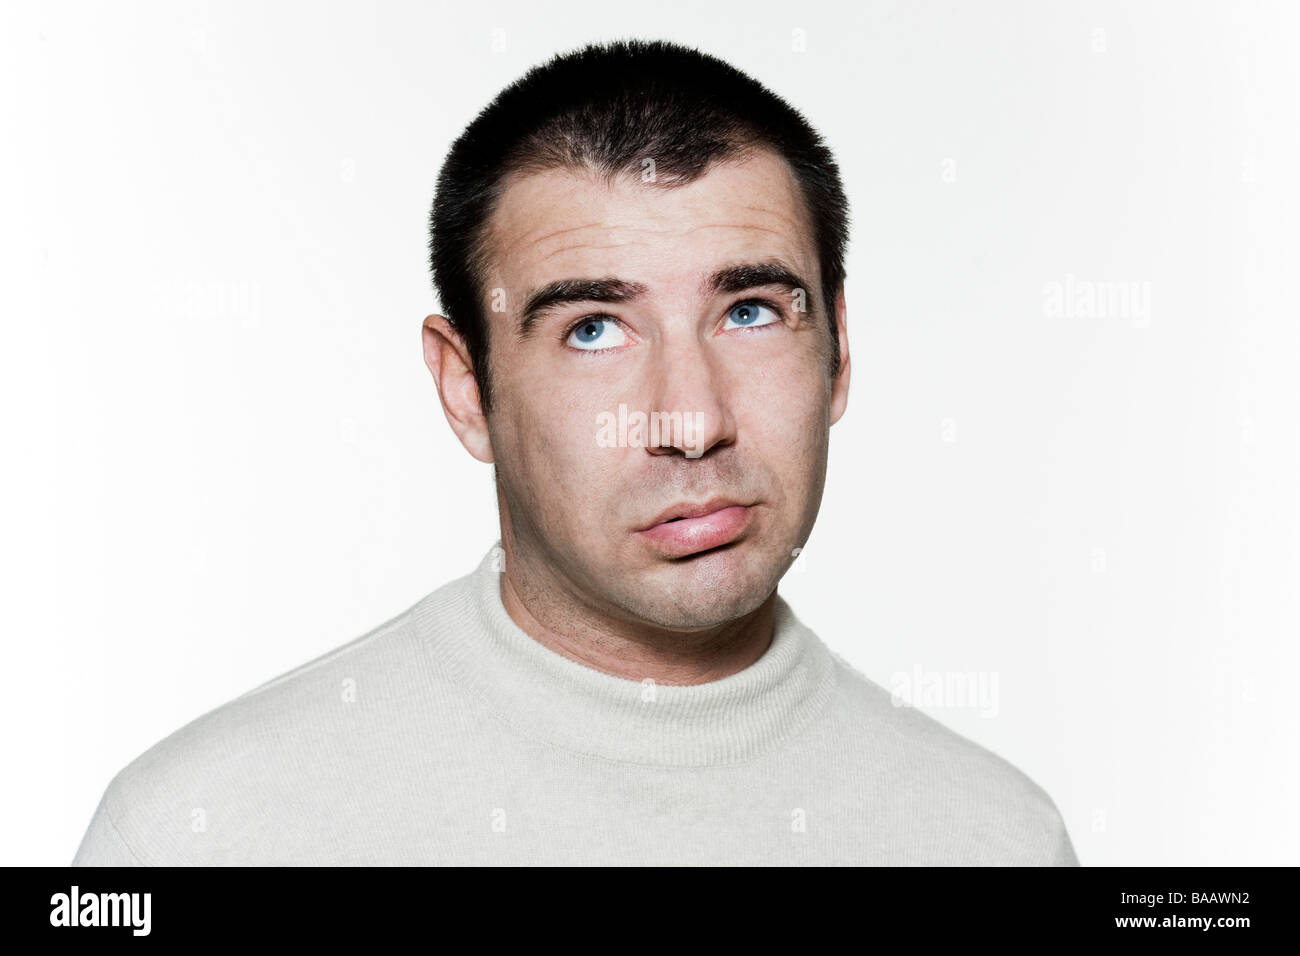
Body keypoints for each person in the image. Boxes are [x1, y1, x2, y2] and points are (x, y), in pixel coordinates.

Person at [72, 38, 1078, 866]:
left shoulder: (996, 835)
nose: (692, 421)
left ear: (840, 351)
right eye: (593, 327)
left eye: (750, 310)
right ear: (466, 388)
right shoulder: (197, 833)